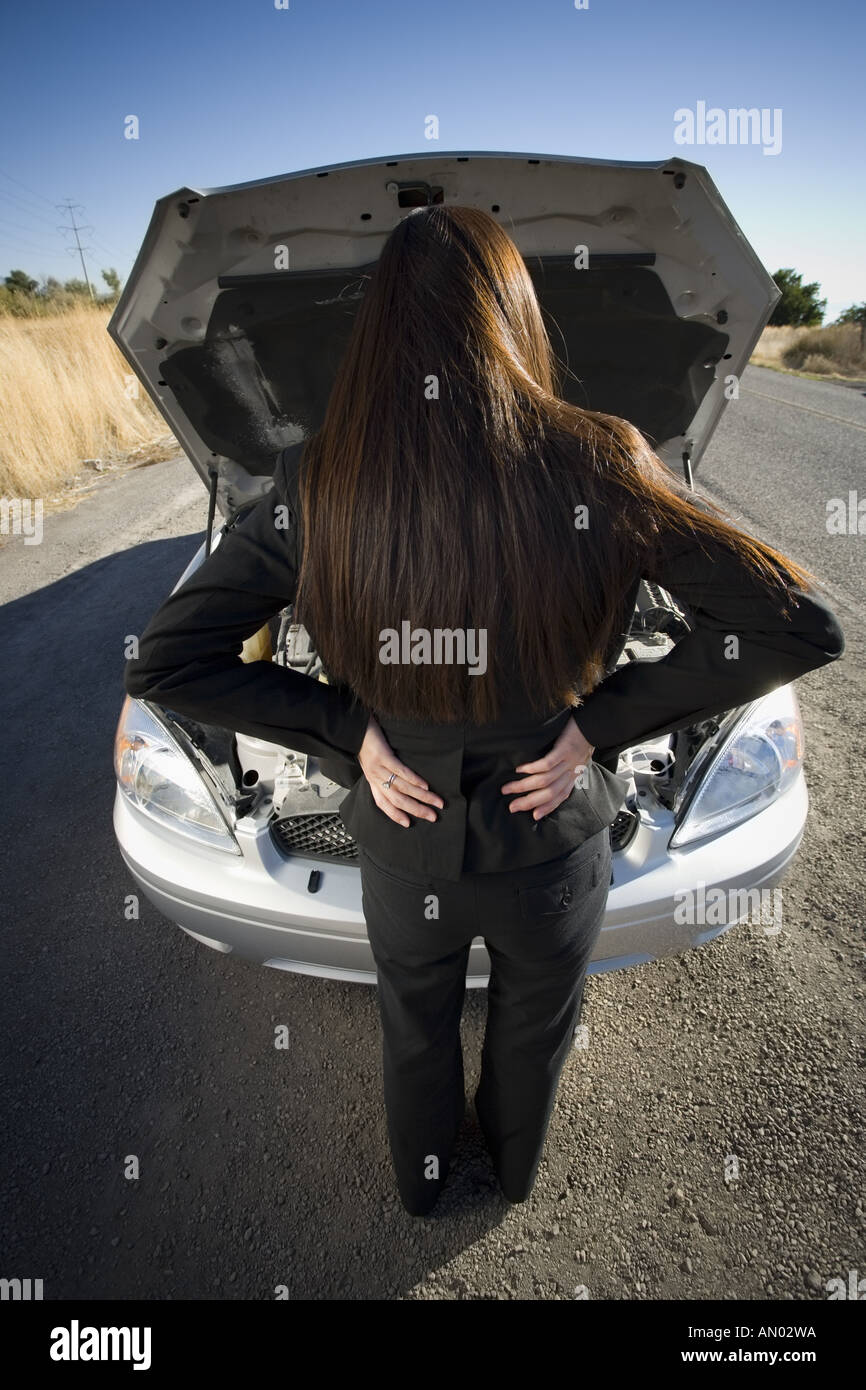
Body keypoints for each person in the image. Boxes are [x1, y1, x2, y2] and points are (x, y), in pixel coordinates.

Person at [125, 205, 845, 1217]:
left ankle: (421, 1191)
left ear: (376, 328)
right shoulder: (605, 456)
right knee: (533, 1028)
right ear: (517, 313)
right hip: (549, 843)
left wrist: (347, 737)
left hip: (400, 837)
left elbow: (169, 660)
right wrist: (594, 729)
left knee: (411, 1027)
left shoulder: (316, 479)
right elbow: (796, 627)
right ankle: (511, 1176)